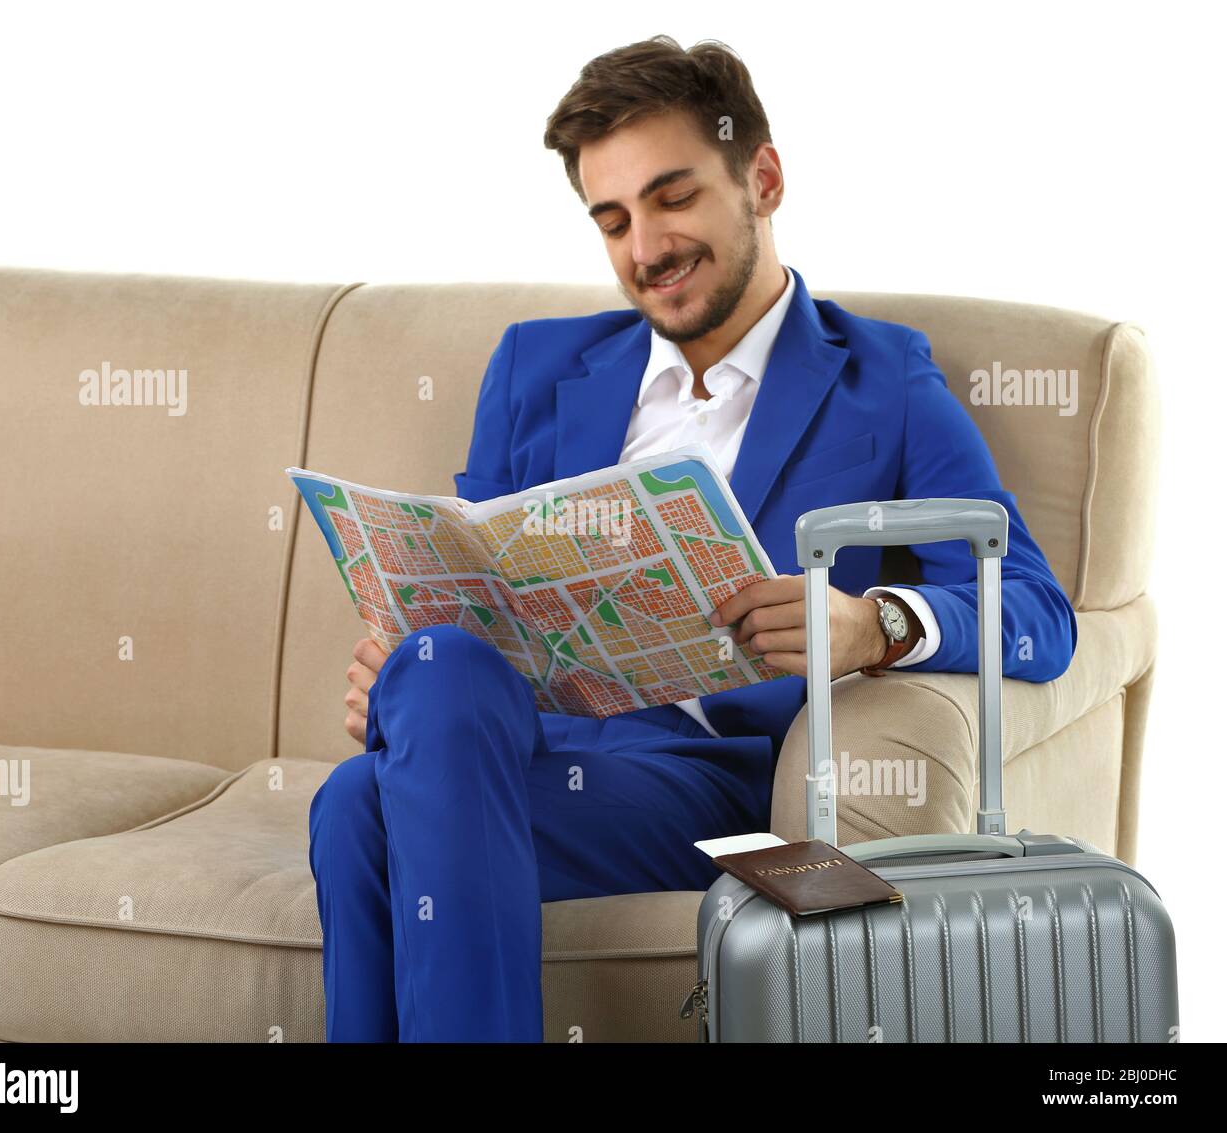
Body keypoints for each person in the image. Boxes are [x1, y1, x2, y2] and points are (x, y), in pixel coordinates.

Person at [307, 35, 1078, 1043]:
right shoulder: (535, 368)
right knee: (405, 714)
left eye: (673, 198)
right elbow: (468, 583)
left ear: (761, 177)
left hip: (703, 785)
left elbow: (1038, 611)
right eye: (613, 219)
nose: (645, 248)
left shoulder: (880, 381)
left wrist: (871, 624)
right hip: (522, 746)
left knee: (358, 807)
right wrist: (401, 670)